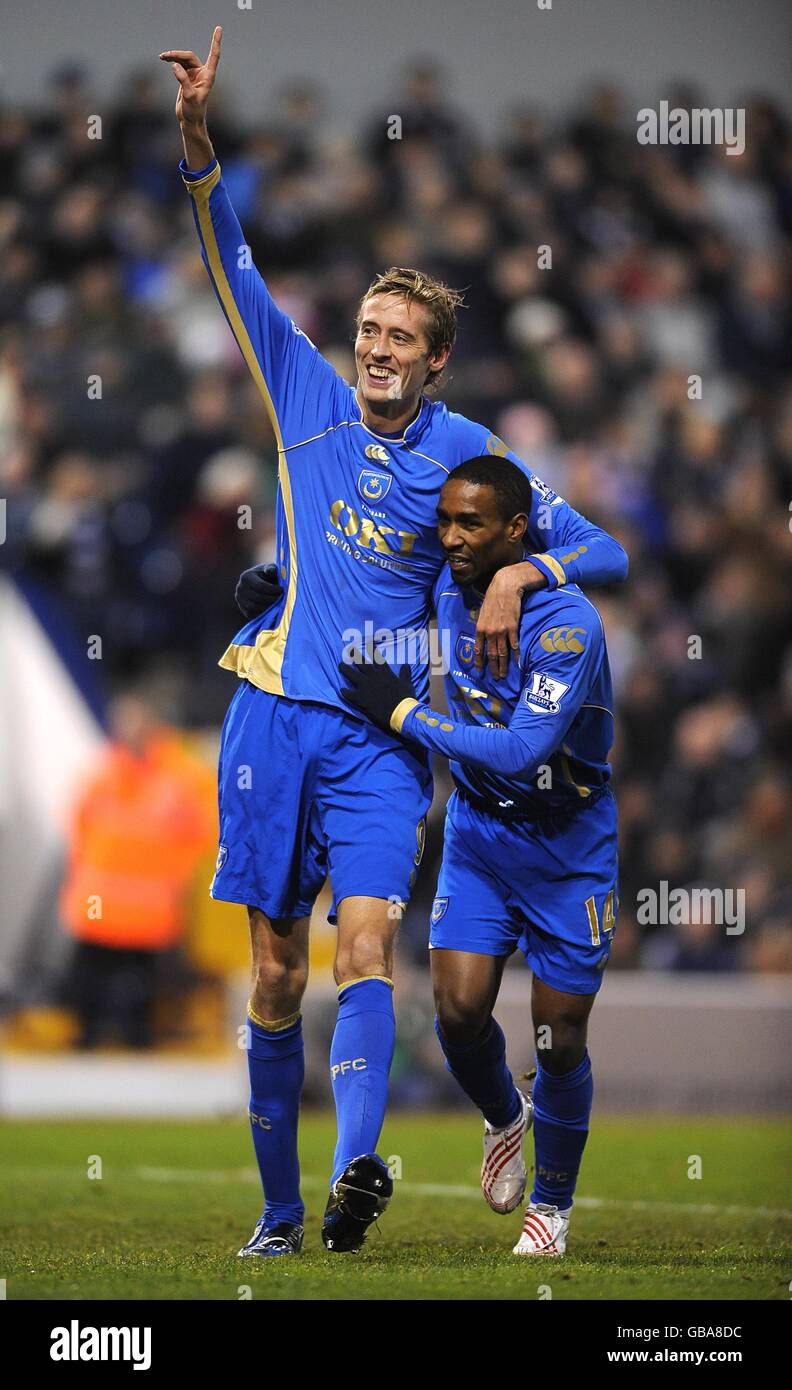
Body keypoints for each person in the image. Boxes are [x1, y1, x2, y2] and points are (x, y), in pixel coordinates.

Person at [160, 27, 627, 1257]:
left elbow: (608, 551)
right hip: (275, 708)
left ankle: (356, 1166)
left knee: (366, 946)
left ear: (436, 361)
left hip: (379, 736)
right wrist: (200, 142)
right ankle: (275, 1214)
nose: (375, 346)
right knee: (273, 975)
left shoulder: (468, 456)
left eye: (399, 338)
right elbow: (230, 265)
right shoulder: (303, 393)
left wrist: (522, 566)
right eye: (367, 327)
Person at [340, 457, 619, 1256]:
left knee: (557, 1038)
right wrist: (274, 592)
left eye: (471, 525)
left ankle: (554, 1208)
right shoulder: (443, 579)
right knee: (458, 1012)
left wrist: (401, 712)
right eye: (447, 522)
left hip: (569, 844)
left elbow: (522, 745)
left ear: (516, 532)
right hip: (481, 834)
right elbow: (351, 569)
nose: (452, 539)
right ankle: (505, 1117)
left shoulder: (568, 626)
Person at [61, 694, 217, 1049]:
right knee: (89, 986)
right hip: (98, 906)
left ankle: (136, 1038)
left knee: (142, 990)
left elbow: (205, 831)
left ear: (153, 724)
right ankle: (88, 1035)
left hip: (150, 910)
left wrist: (179, 870)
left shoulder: (183, 775)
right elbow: (79, 827)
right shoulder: (101, 772)